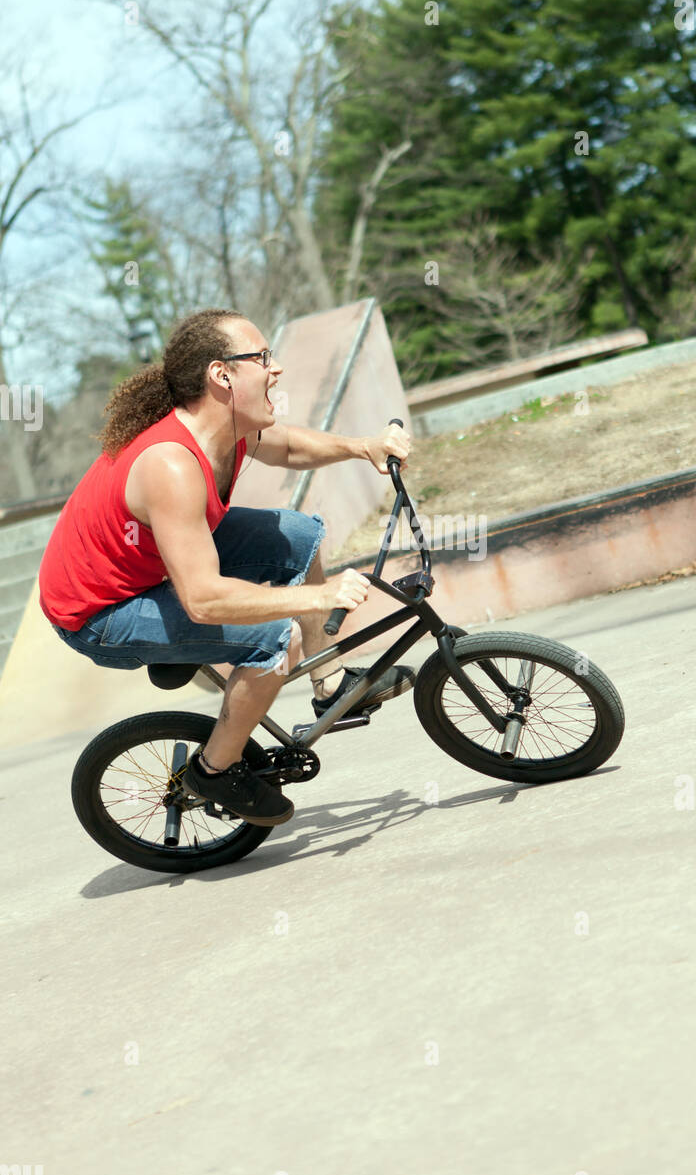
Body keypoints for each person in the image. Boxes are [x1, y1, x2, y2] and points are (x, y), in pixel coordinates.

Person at [38, 307, 414, 827]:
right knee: (273, 637)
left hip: (148, 568)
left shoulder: (230, 430)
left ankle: (331, 685)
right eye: (261, 357)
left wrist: (361, 447)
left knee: (300, 536)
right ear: (222, 374)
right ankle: (214, 770)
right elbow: (204, 598)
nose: (275, 367)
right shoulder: (171, 464)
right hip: (100, 612)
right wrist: (317, 597)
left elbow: (288, 446)